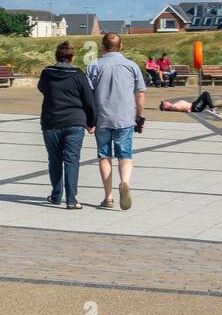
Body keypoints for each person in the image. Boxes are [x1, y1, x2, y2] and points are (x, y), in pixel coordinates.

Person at [86, 32, 145, 210]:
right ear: (121, 46)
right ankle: (125, 182)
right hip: (125, 118)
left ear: (103, 46)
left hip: (102, 118)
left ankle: (108, 197)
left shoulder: (93, 66)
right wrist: (139, 116)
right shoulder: (131, 66)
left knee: (104, 156)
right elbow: (140, 93)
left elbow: (87, 95)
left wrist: (89, 120)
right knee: (125, 155)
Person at [37, 41, 96, 209]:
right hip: (75, 122)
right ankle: (71, 200)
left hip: (51, 121)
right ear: (72, 57)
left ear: (56, 55)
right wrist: (91, 122)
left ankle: (56, 196)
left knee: (54, 160)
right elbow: (88, 100)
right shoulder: (78, 75)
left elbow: (41, 88)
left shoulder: (47, 73)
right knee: (72, 160)